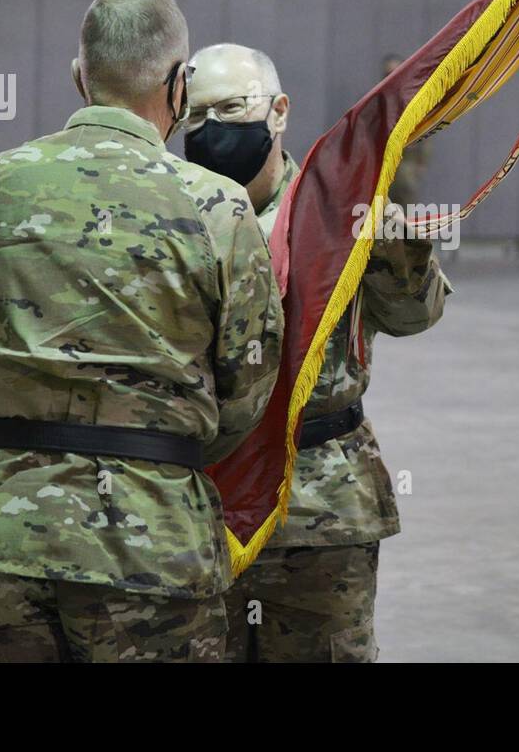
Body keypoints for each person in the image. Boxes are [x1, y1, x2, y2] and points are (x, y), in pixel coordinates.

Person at [0, 0, 282, 662]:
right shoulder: (217, 206)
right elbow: (246, 391)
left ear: (79, 77)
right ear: (179, 86)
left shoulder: (5, 181)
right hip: (145, 546)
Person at [183, 43, 450, 662]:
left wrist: (390, 232)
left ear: (278, 112)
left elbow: (416, 315)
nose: (211, 130)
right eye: (195, 117)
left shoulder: (337, 213)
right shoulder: (174, 220)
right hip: (202, 502)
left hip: (322, 508)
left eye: (230, 108)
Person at [382, 53, 431, 204]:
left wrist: (420, 164)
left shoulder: (413, 104)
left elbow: (425, 133)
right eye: (389, 74)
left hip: (405, 167)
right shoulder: (378, 103)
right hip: (381, 169)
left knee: (405, 215)